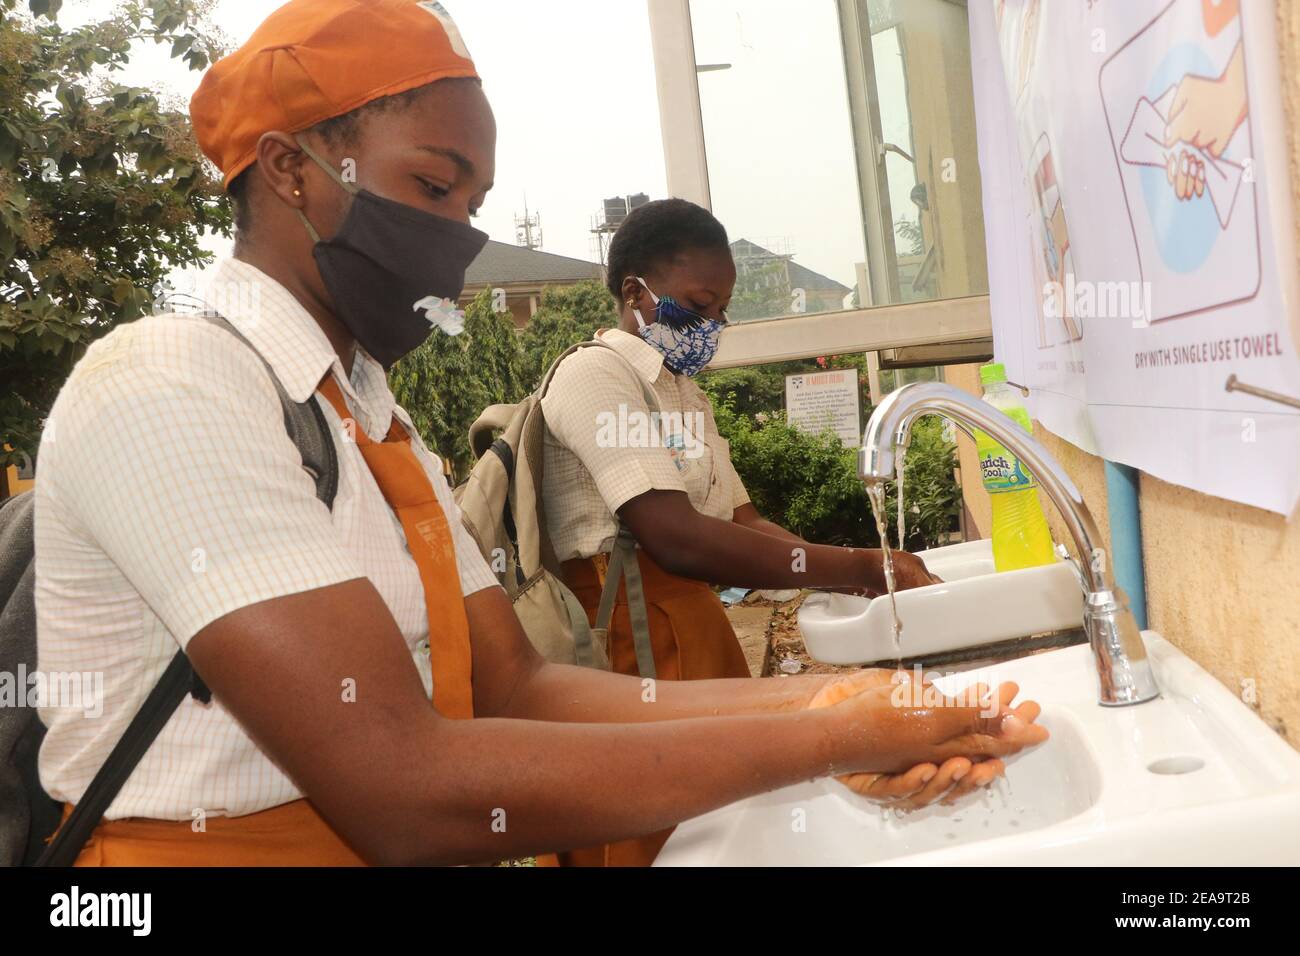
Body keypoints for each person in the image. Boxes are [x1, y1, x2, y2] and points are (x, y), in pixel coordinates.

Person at [33, 0, 1046, 867]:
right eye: (434, 186)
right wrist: (821, 739)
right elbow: (398, 782)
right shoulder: (168, 386)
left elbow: (517, 685)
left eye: (472, 202)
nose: (460, 235)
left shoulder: (370, 417)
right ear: (292, 168)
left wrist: (830, 715)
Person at [538, 198, 944, 865]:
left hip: (691, 630)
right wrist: (857, 569)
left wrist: (856, 562)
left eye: (721, 310)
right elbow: (673, 534)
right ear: (636, 292)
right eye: (700, 305)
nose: (712, 325)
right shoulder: (595, 376)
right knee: (651, 831)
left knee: (723, 823)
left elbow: (742, 522)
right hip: (626, 645)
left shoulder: (682, 393)